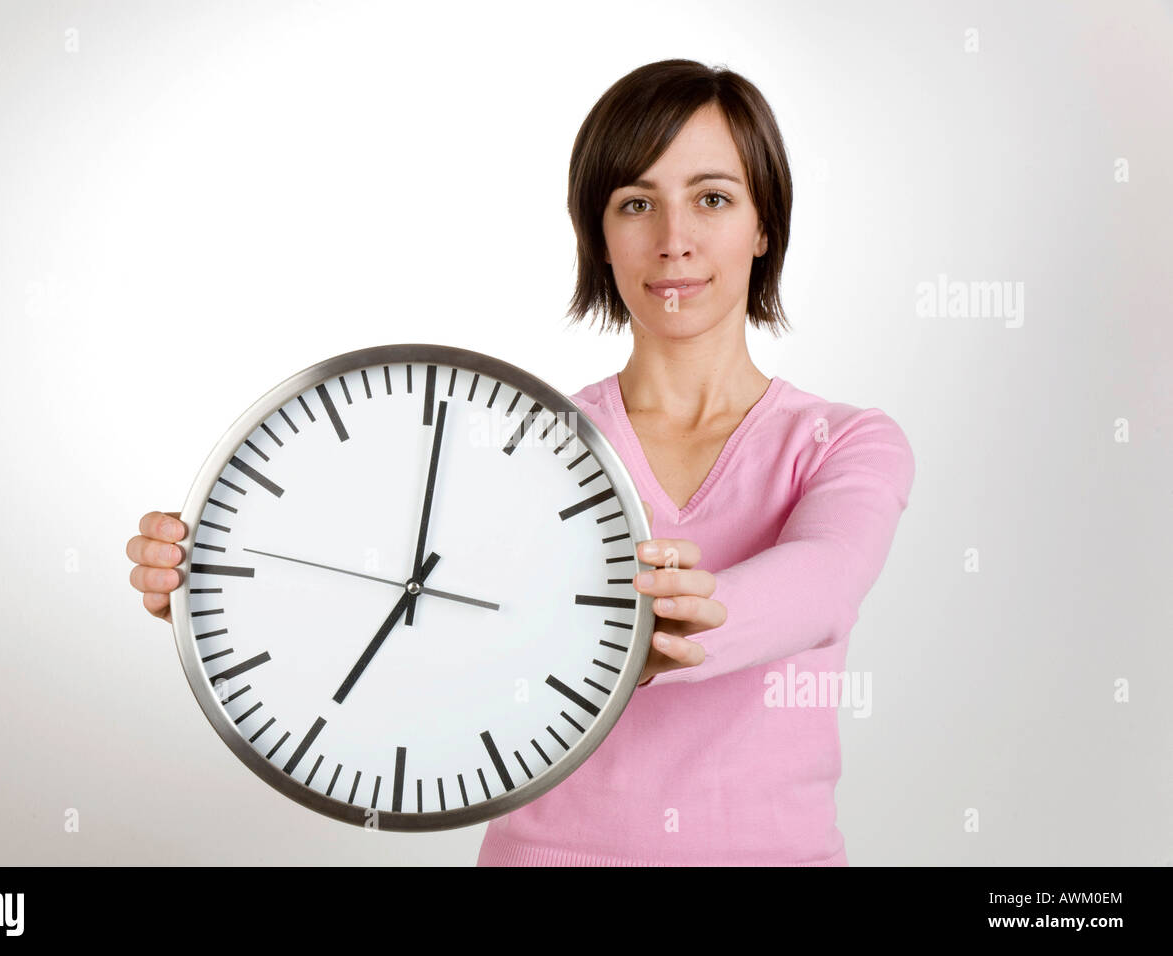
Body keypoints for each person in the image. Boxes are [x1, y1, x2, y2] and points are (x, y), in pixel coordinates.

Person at [127, 58, 914, 865]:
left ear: (764, 225)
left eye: (712, 198)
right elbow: (412, 616)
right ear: (599, 237)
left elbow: (824, 582)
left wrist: (659, 631)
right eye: (636, 204)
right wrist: (216, 590)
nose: (674, 240)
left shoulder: (846, 441)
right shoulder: (522, 444)